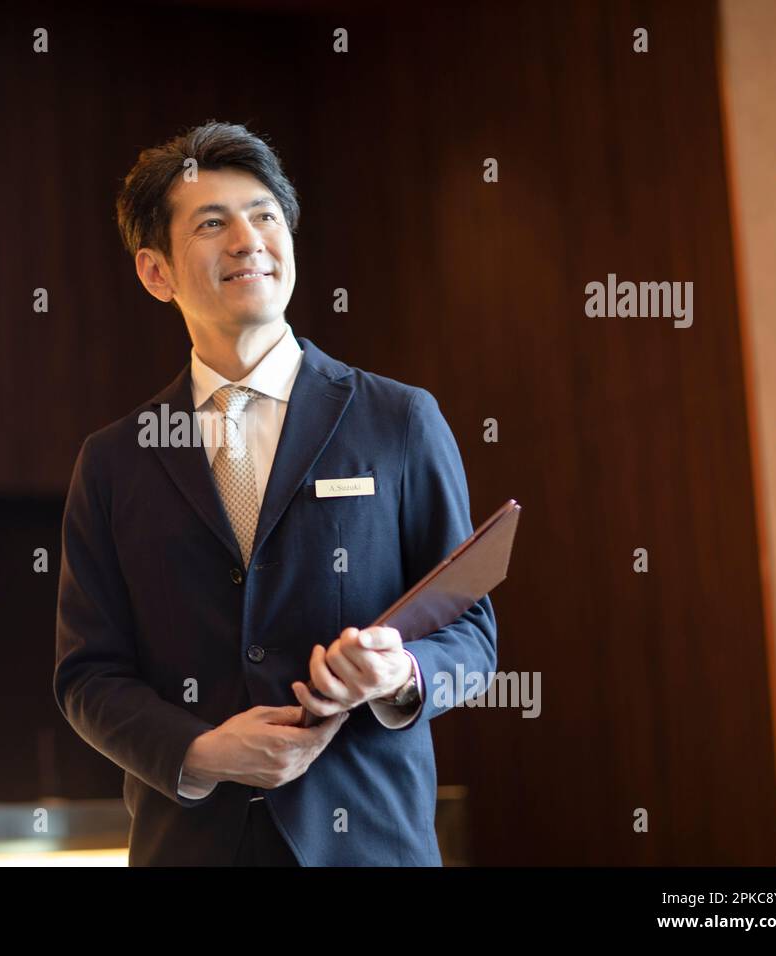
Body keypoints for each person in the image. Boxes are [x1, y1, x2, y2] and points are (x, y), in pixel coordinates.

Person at [54, 122, 497, 865]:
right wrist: (199, 751)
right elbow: (87, 676)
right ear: (155, 272)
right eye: (212, 223)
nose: (247, 239)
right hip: (191, 846)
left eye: (264, 215)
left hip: (369, 844)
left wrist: (400, 672)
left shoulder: (398, 419)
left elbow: (473, 631)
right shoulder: (113, 461)